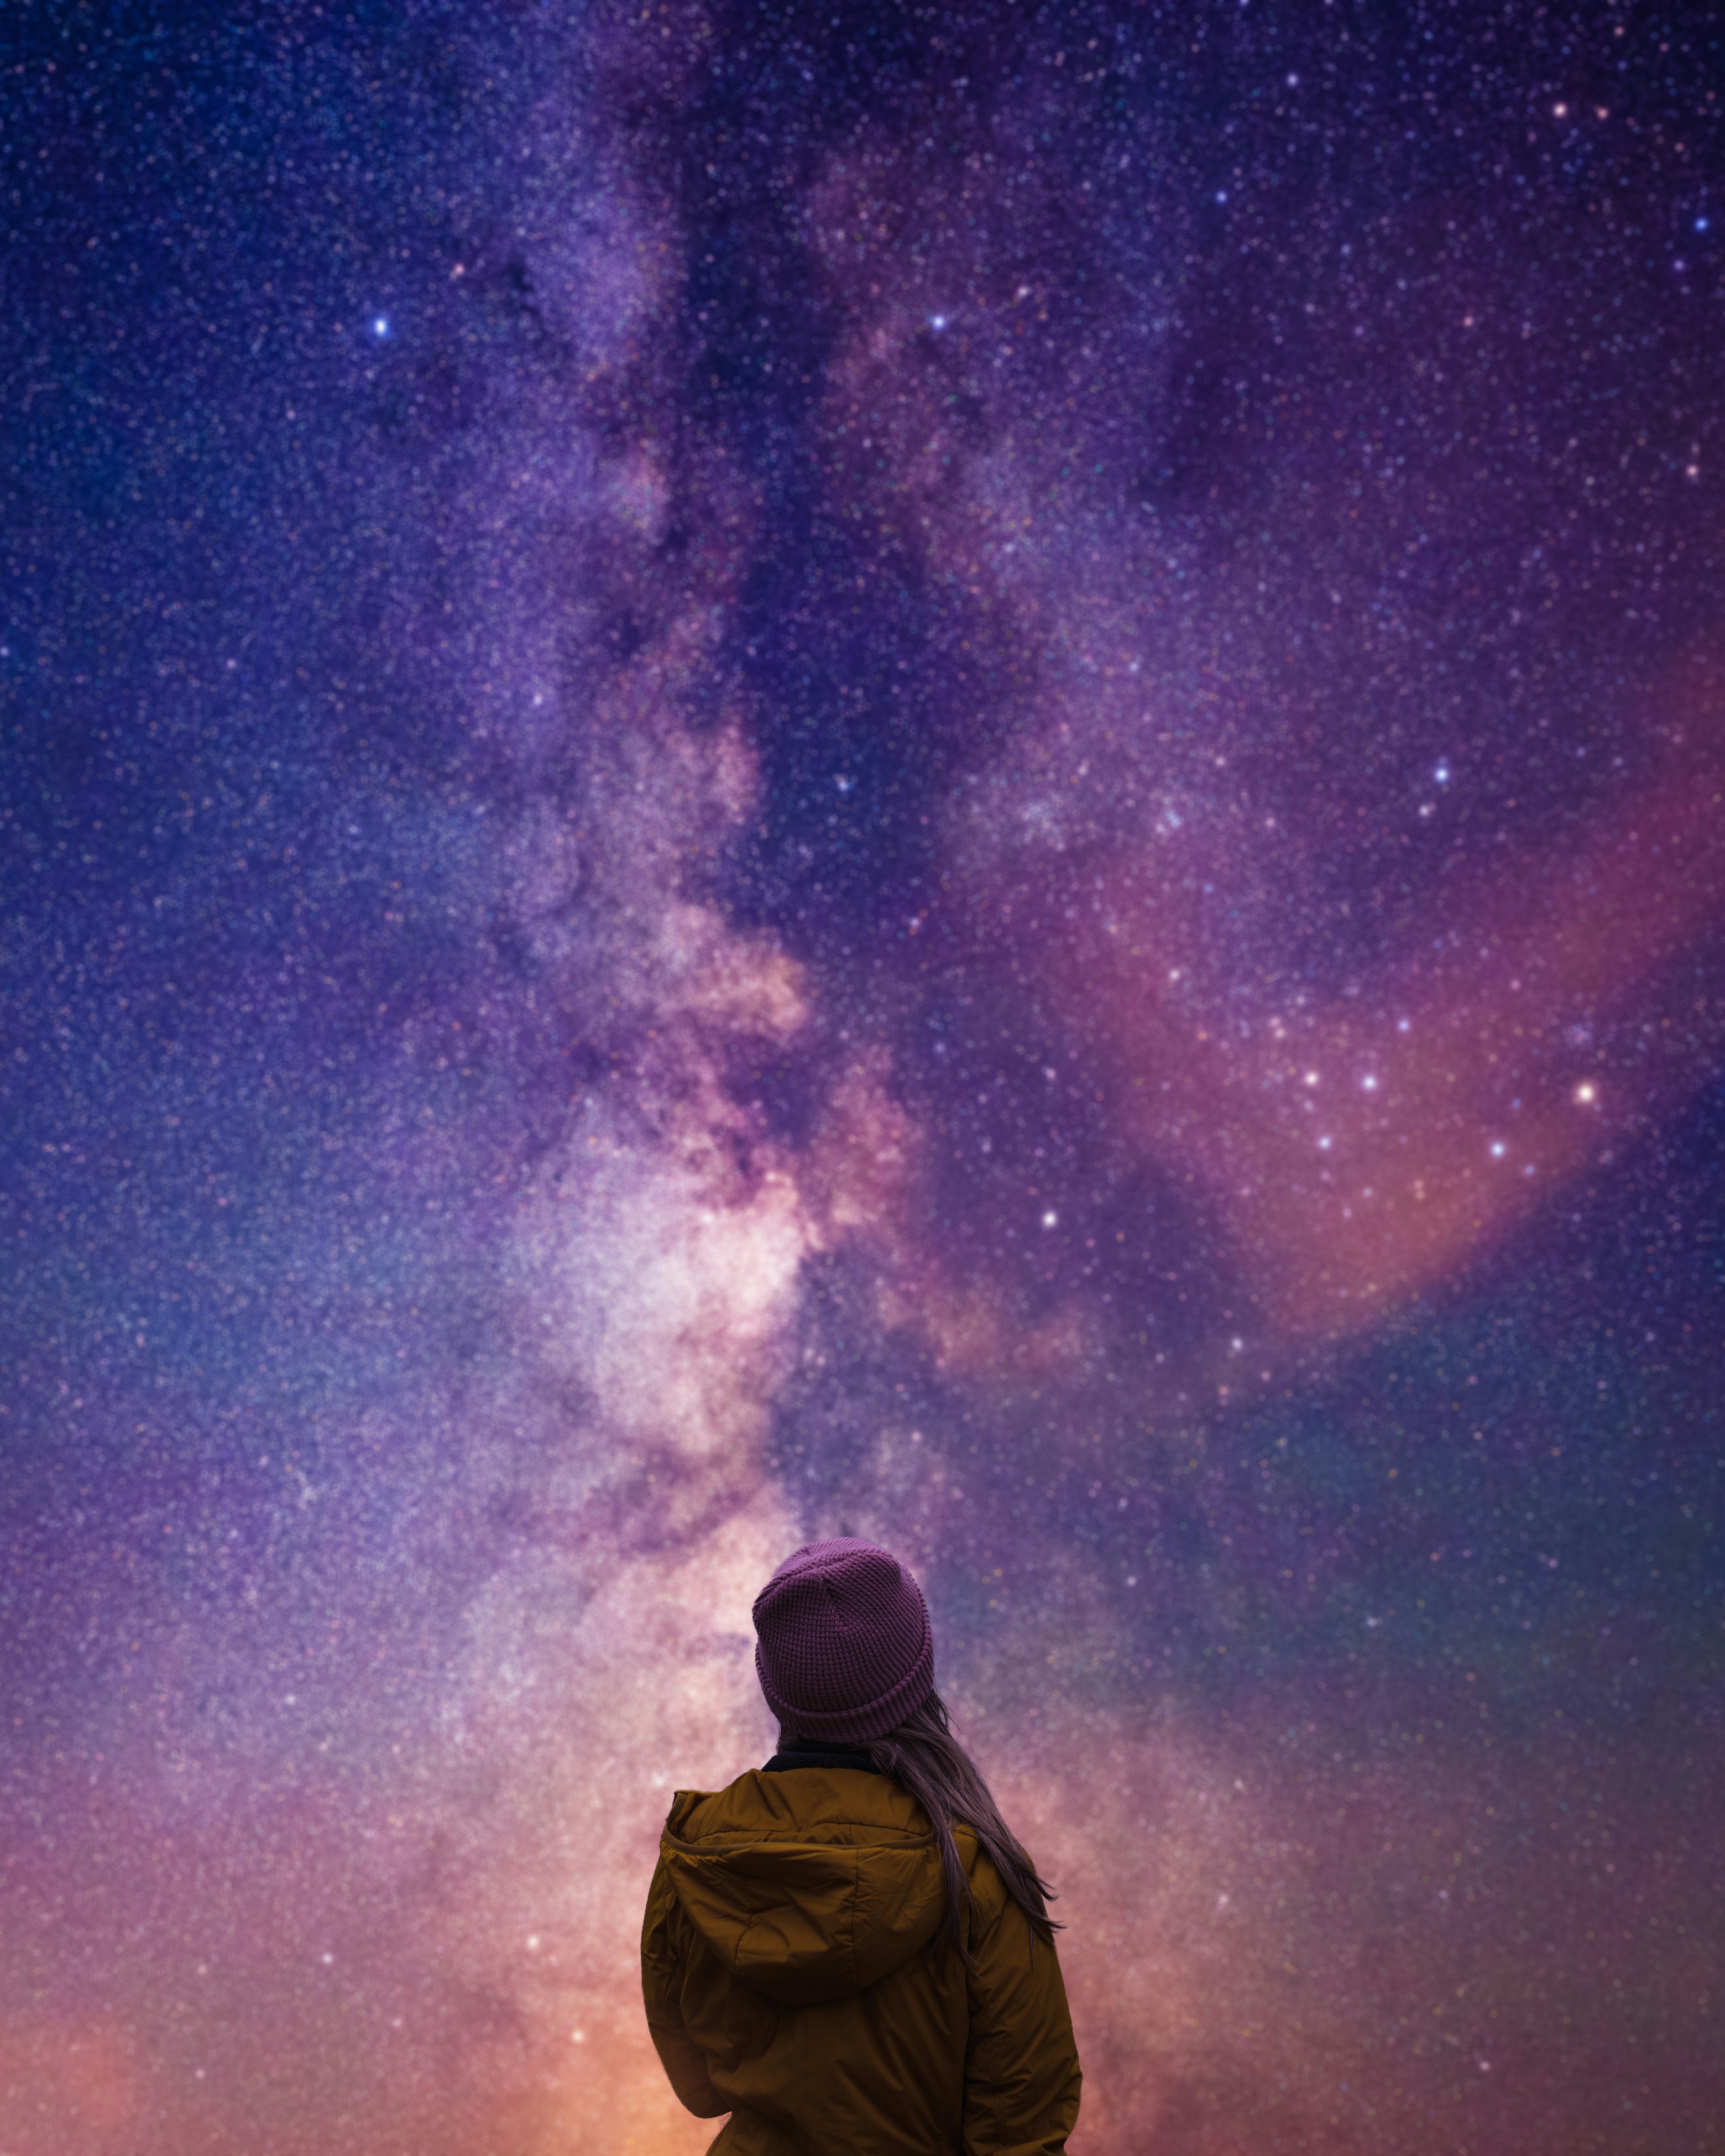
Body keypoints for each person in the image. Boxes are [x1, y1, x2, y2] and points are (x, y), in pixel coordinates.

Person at [641, 1536, 1081, 2153]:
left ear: (778, 1688)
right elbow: (1023, 2130)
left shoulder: (698, 1858)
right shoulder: (976, 1873)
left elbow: (699, 2087)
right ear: (917, 1676)